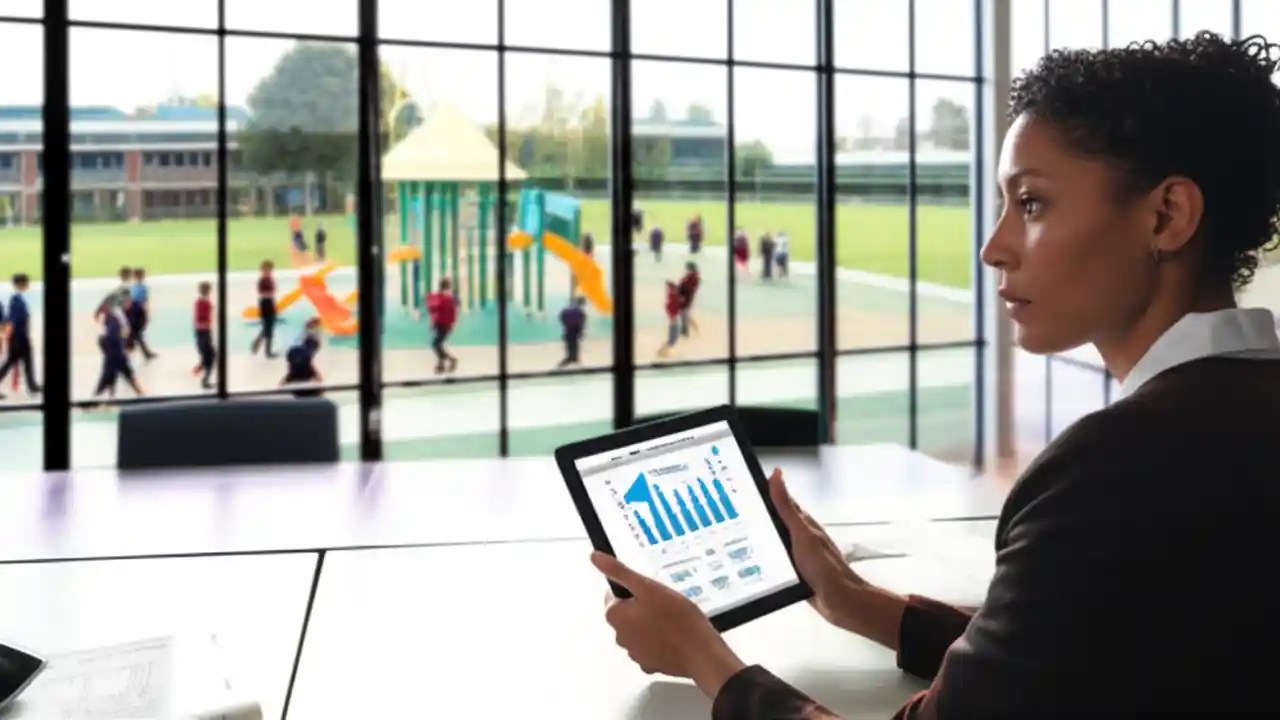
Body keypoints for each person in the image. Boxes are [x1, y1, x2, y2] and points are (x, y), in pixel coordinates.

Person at [591, 32, 1280, 716]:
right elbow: (1072, 652)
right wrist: (854, 602)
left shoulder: (1114, 469)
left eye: (1032, 204)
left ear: (1167, 215)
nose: (993, 248)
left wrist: (706, 660)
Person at [93, 297, 144, 399]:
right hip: (114, 350)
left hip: (113, 349)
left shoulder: (115, 315)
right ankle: (141, 394)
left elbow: (122, 332)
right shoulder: (113, 316)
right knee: (119, 373)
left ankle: (104, 394)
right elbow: (116, 334)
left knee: (112, 374)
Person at [0, 273, 40, 397]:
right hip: (19, 337)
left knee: (26, 360)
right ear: (21, 284)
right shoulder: (16, 299)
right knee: (12, 361)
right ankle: (32, 386)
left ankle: (32, 385)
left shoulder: (16, 298)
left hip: (20, 336)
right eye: (26, 283)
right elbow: (14, 320)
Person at [281, 317, 324, 397]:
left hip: (308, 346)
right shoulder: (306, 352)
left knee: (306, 351)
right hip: (308, 347)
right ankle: (311, 326)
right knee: (306, 351)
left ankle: (311, 326)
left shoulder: (308, 346)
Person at [427, 277, 458, 374]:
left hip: (442, 325)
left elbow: (434, 309)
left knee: (436, 345)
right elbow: (450, 314)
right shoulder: (447, 298)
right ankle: (441, 365)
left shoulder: (443, 298)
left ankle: (451, 360)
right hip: (442, 325)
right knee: (438, 345)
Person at [126, 267, 157, 361]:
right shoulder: (142, 288)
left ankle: (145, 353)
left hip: (132, 312)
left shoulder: (132, 288)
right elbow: (144, 302)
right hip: (138, 312)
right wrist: (146, 315)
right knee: (136, 333)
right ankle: (145, 353)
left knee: (136, 333)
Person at [250, 260, 279, 358]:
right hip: (266, 303)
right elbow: (264, 292)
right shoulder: (264, 280)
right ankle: (267, 351)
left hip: (269, 302)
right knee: (268, 327)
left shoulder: (268, 279)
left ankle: (257, 344)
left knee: (268, 327)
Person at [192, 281, 216, 390]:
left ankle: (202, 367)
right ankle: (205, 380)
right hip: (205, 332)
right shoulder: (206, 303)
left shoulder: (198, 302)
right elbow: (204, 317)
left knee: (209, 354)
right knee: (210, 357)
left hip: (200, 332)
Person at [558, 295, 587, 368]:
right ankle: (573, 359)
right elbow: (581, 322)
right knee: (574, 344)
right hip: (574, 329)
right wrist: (581, 331)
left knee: (570, 344)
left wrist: (565, 326)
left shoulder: (567, 309)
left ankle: (571, 358)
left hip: (568, 329)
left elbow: (562, 317)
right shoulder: (579, 311)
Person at [655, 281, 681, 358]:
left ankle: (662, 352)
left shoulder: (671, 296)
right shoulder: (673, 296)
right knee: (672, 340)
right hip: (674, 322)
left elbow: (669, 306)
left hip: (673, 321)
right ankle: (661, 353)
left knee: (672, 340)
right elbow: (674, 306)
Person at [677, 261, 700, 338]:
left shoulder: (693, 277)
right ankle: (685, 329)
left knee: (684, 313)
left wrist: (681, 291)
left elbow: (690, 287)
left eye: (688, 268)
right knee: (683, 312)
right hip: (686, 296)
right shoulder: (691, 276)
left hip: (687, 297)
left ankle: (685, 330)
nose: (687, 270)